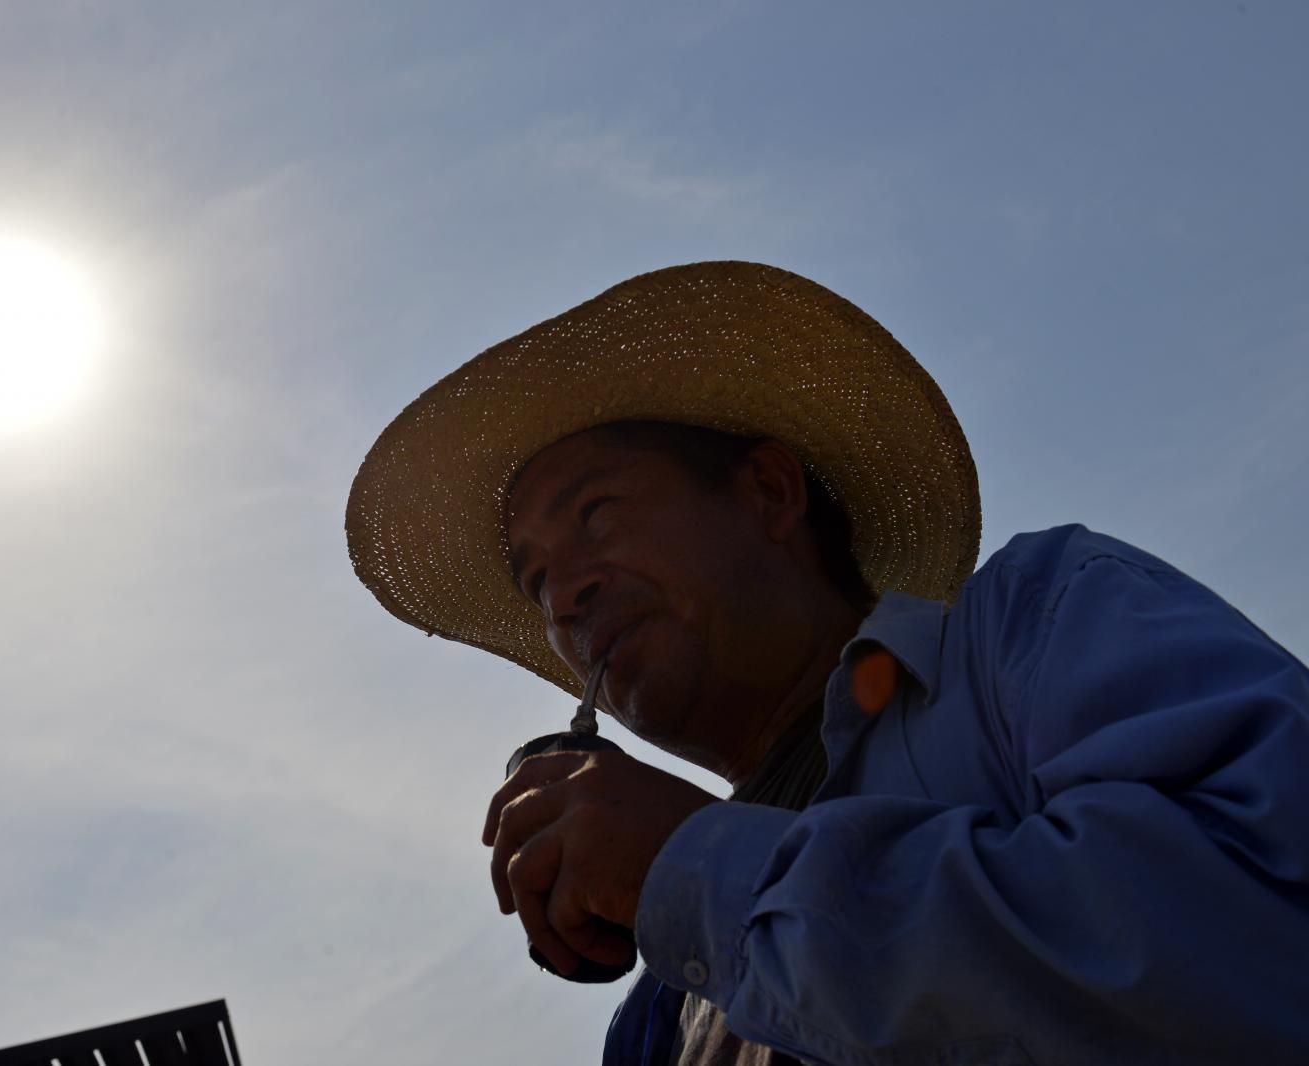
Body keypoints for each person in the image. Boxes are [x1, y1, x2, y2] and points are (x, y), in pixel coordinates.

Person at [344, 261, 1309, 1065]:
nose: (565, 598)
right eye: (536, 579)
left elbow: (1258, 930)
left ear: (769, 491)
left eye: (597, 515)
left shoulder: (1038, 620)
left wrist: (695, 867)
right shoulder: (659, 1017)